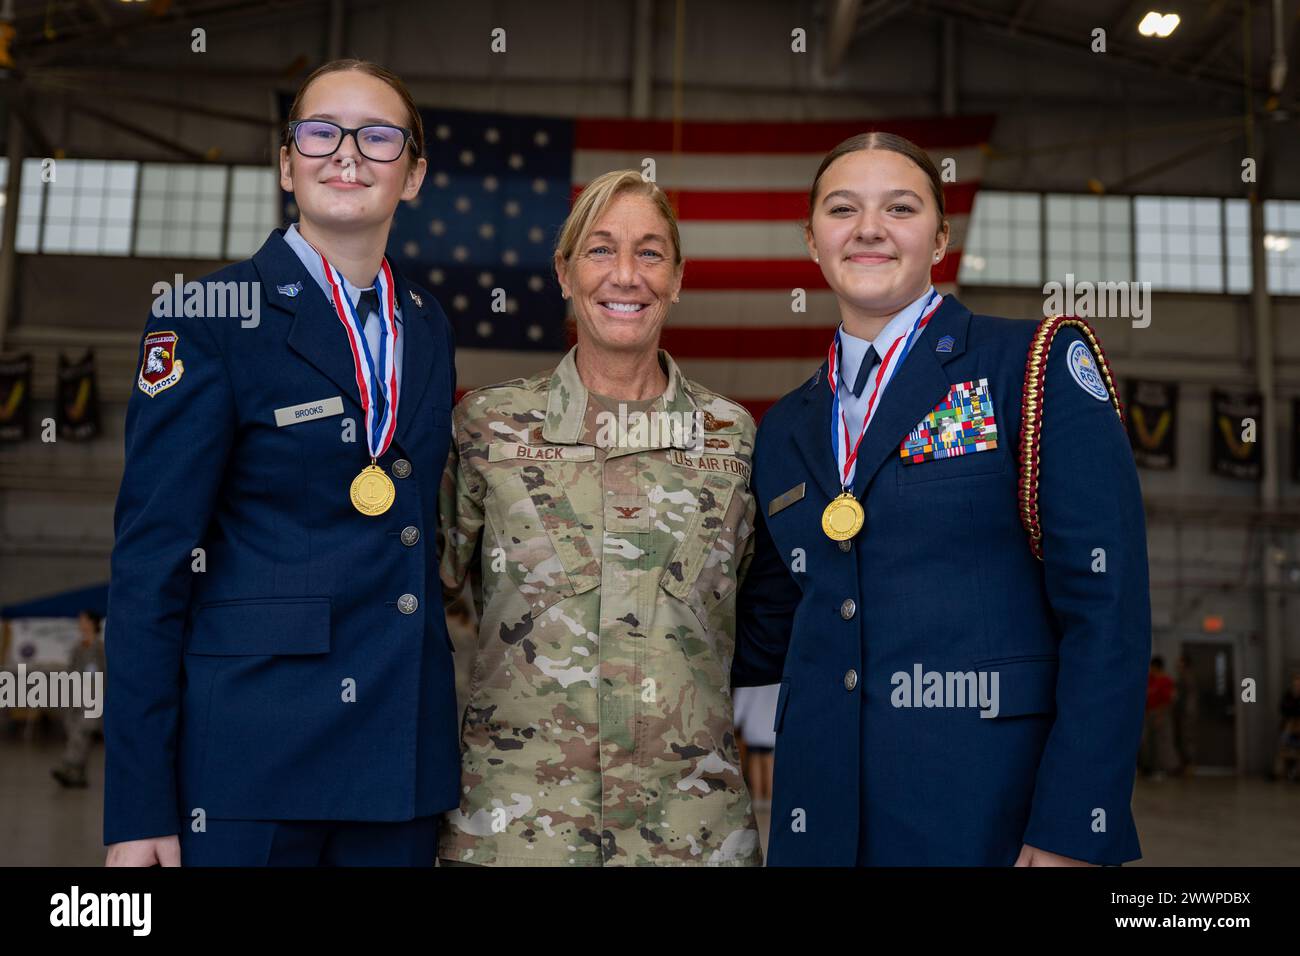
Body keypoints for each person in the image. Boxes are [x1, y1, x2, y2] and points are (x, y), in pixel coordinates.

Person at [733, 131, 1151, 866]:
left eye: (899, 207)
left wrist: (1072, 828)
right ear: (811, 240)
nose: (868, 229)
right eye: (842, 209)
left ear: (939, 237)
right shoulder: (783, 429)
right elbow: (768, 627)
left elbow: (1108, 612)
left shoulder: (1032, 364)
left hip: (989, 818)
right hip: (820, 824)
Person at [103, 59, 460, 866]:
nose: (347, 155)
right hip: (250, 762)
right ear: (285, 162)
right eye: (319, 132)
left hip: (399, 757)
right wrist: (137, 805)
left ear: (413, 177)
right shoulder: (206, 318)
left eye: (378, 137)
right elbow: (150, 567)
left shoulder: (426, 325)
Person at [437, 169, 763, 866]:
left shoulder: (732, 438)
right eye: (599, 249)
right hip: (517, 833)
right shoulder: (487, 427)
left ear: (677, 278)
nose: (625, 275)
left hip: (691, 836)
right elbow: (410, 606)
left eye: (650, 253)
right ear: (563, 272)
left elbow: (767, 617)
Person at [51, 610, 106, 789]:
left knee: (81, 734)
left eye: (83, 620)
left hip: (94, 699)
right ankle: (79, 775)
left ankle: (67, 765)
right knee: (76, 734)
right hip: (77, 697)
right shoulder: (78, 647)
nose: (80, 623)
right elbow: (71, 672)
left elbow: (106, 674)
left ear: (92, 623)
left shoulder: (101, 648)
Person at [1140, 656, 1178, 779]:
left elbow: (1168, 700)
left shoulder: (1166, 681)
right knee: (1148, 742)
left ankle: (1165, 768)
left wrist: (1160, 715)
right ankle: (1149, 767)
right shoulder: (1150, 680)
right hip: (1148, 713)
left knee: (1162, 742)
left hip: (1161, 713)